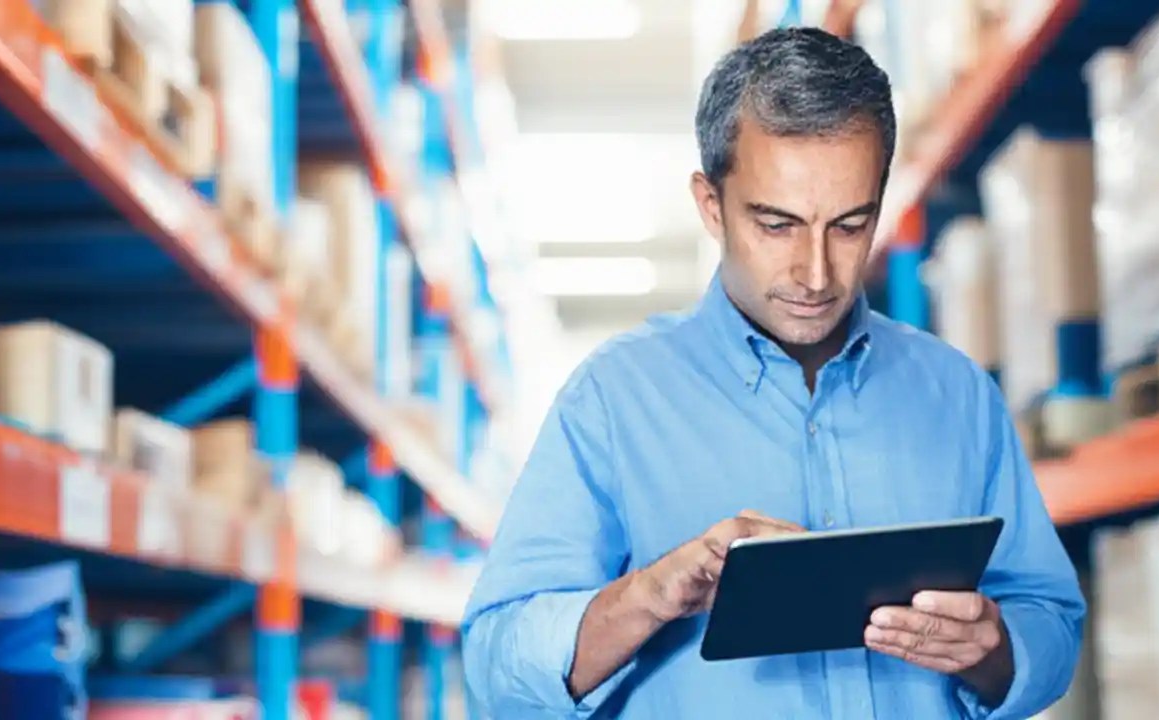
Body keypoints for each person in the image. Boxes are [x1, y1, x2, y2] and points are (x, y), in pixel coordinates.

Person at [461, 26, 1085, 719]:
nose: (816, 274)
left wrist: (993, 646)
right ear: (711, 205)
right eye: (777, 225)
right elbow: (496, 668)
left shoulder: (958, 395)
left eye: (849, 225)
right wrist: (651, 594)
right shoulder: (612, 401)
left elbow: (1051, 621)